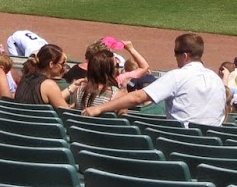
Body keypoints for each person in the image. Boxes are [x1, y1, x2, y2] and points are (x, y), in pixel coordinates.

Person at [83, 31, 227, 125]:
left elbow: (137, 98)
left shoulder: (177, 76)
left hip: (180, 143)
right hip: (212, 144)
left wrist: (99, 108)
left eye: (176, 52)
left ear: (185, 56)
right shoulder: (217, 80)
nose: (174, 56)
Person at [15, 43, 72, 108]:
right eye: (62, 64)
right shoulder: (49, 85)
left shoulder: (25, 78)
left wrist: (73, 87)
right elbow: (66, 112)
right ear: (51, 64)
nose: (63, 67)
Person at [72, 46, 123, 112]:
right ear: (111, 70)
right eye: (116, 66)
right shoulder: (118, 95)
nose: (117, 69)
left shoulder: (78, 91)